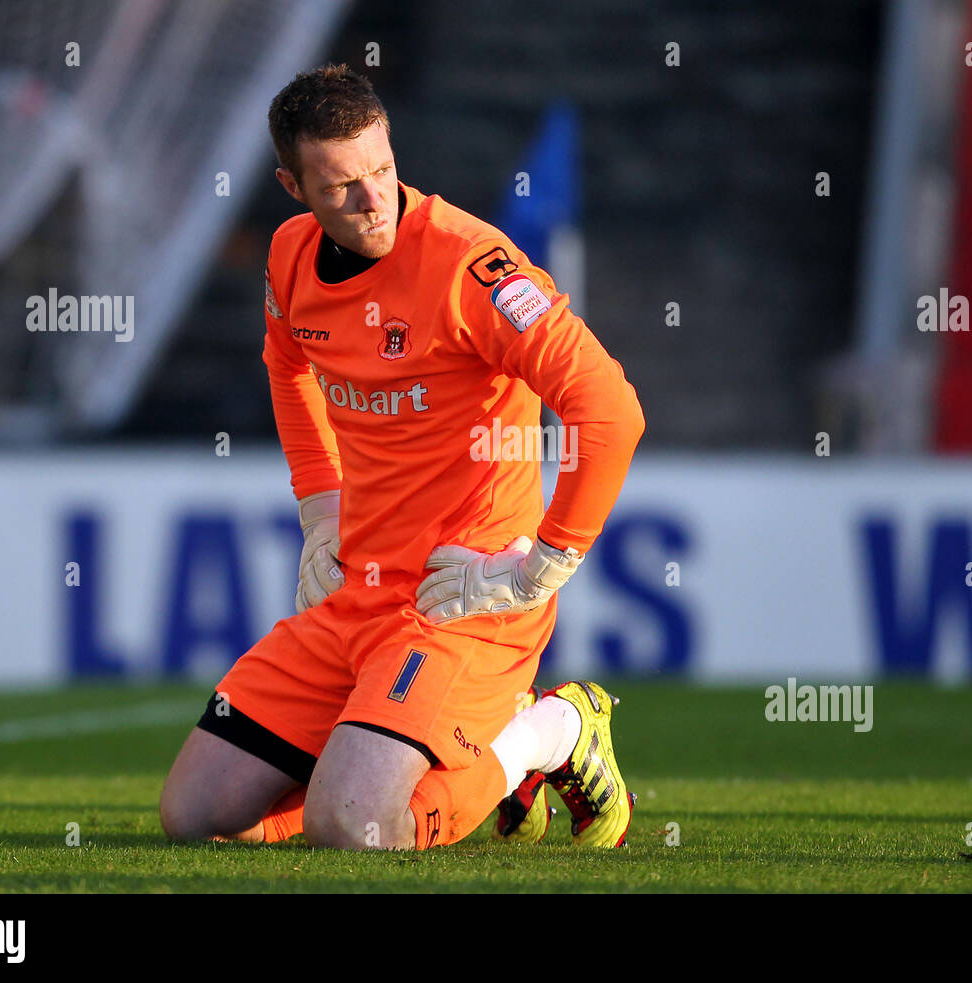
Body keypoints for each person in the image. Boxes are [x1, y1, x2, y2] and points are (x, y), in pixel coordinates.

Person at [159, 64, 645, 850]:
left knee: (356, 828)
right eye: (342, 184)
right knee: (196, 817)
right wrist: (321, 507)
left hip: (464, 602)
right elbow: (286, 366)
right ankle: (421, 767)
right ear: (293, 186)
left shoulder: (470, 266)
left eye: (382, 169)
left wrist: (544, 565)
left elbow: (611, 409)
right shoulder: (289, 257)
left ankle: (549, 731)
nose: (373, 197)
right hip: (357, 593)